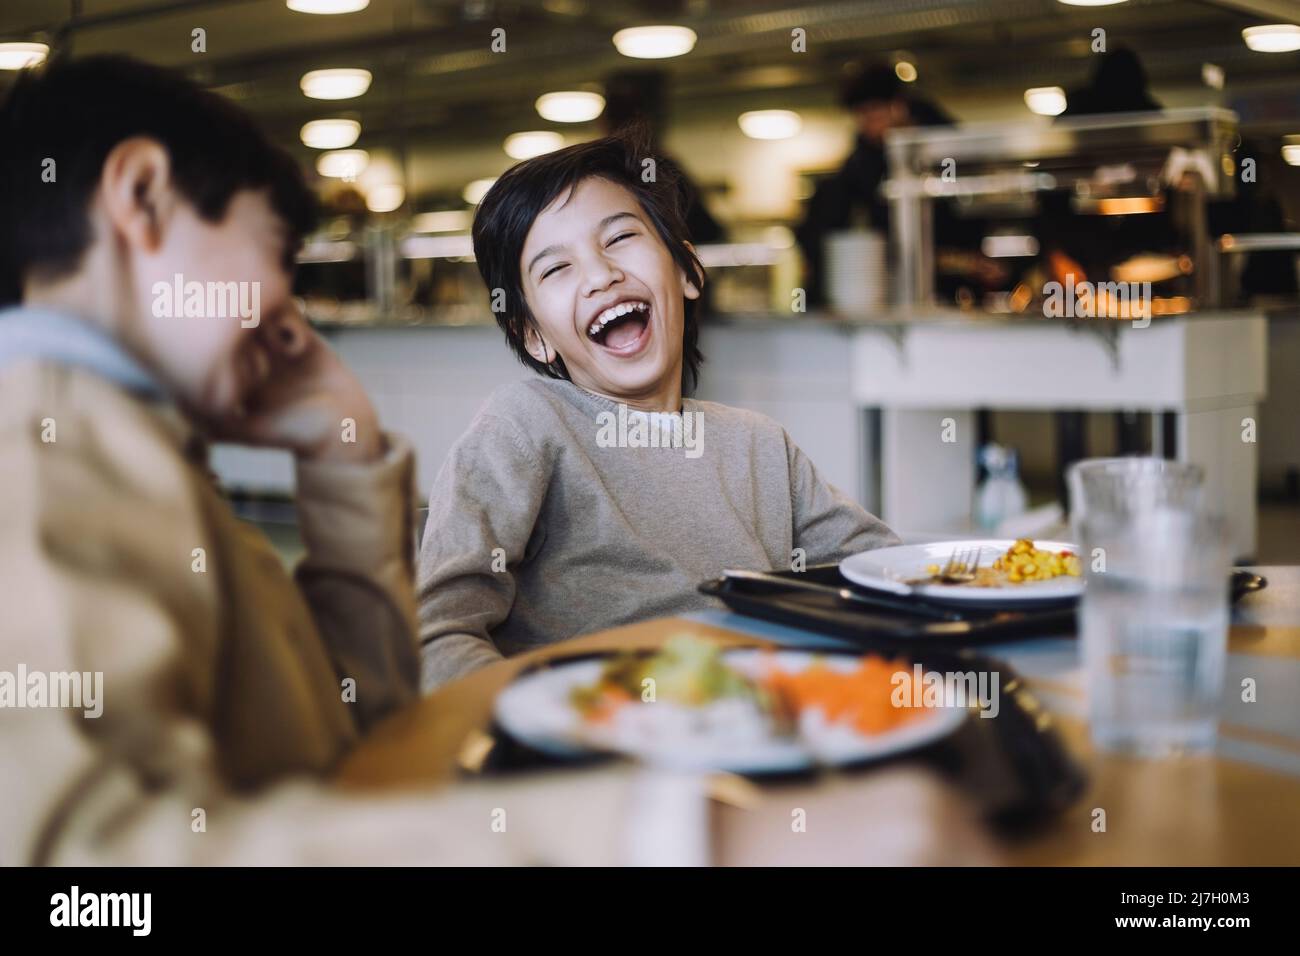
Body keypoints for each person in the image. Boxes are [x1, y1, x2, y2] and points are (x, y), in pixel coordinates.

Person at [416, 130, 899, 690]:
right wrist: (537, 727)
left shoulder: (760, 445)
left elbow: (883, 575)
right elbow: (440, 633)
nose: (600, 275)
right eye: (555, 269)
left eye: (619, 237)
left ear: (688, 272)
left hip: (760, 725)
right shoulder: (526, 424)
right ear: (534, 337)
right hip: (603, 748)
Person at [795, 63, 1003, 308]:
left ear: (898, 106)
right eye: (860, 115)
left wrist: (960, 259)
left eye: (873, 113)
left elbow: (977, 205)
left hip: (957, 286)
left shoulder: (944, 148)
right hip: (893, 288)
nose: (867, 124)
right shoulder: (860, 163)